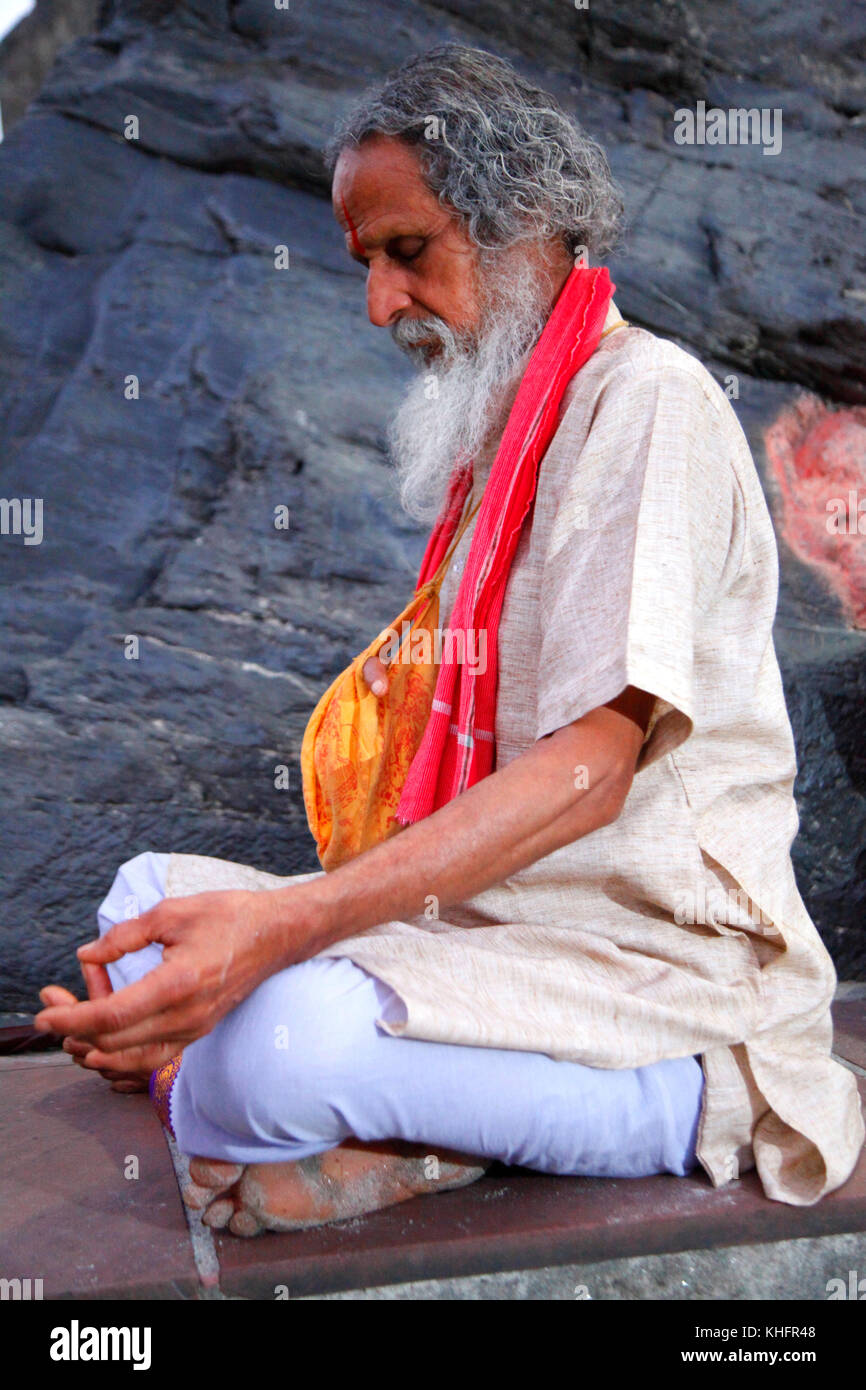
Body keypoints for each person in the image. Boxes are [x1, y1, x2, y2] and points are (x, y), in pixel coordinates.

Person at [36, 45, 863, 1236]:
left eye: (406, 252)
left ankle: (520, 1113)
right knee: (141, 908)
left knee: (265, 1049)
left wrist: (286, 929)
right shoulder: (506, 438)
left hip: (656, 980)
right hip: (492, 927)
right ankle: (402, 1107)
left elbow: (592, 768)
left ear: (522, 216)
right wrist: (228, 948)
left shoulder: (646, 403)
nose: (378, 304)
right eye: (364, 263)